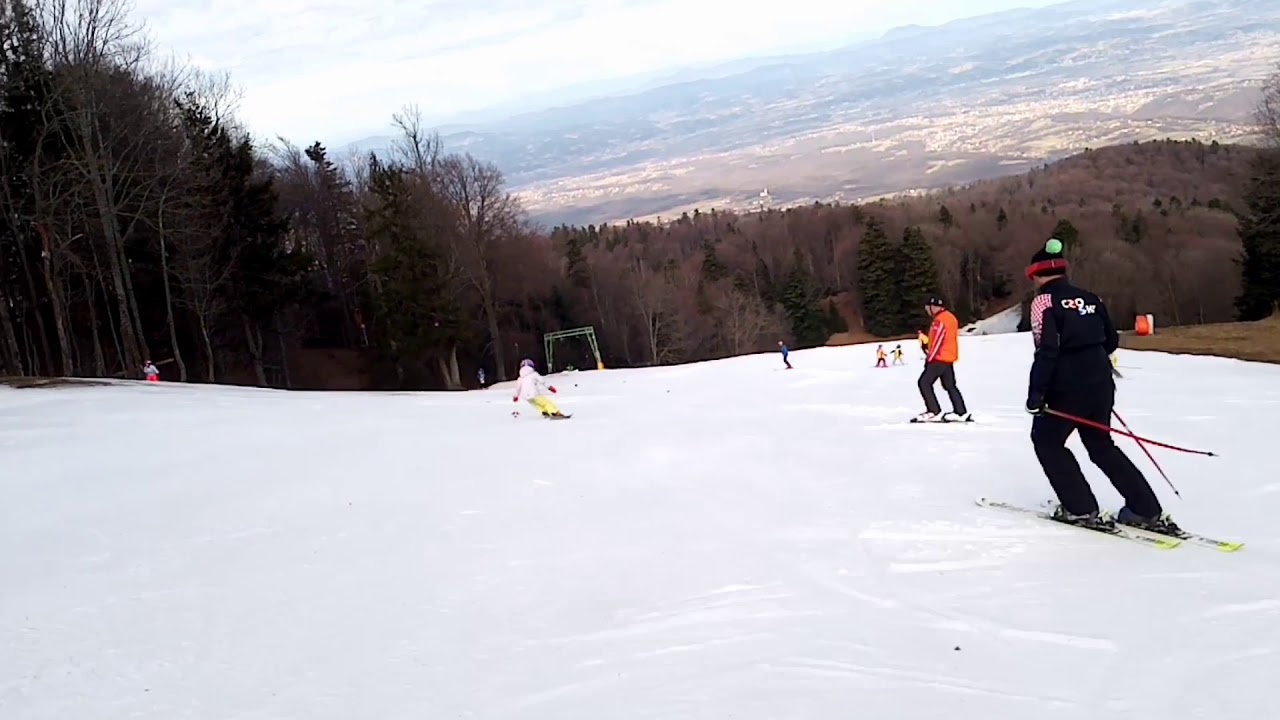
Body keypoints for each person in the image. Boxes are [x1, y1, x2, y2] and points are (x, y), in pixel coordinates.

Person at [1024, 238, 1178, 532]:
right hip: (1101, 383)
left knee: (1047, 441)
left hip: (1066, 387)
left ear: (1037, 275)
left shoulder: (1043, 301)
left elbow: (1046, 350)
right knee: (1101, 445)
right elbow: (1111, 341)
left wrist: (1036, 393)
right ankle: (1145, 509)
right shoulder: (1092, 299)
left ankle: (1080, 508)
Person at [914, 296, 970, 422]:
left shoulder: (940, 320)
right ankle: (960, 411)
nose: (929, 310)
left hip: (939, 358)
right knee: (950, 385)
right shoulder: (949, 317)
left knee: (924, 383)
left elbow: (938, 340)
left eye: (929, 307)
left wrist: (930, 358)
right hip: (948, 357)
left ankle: (933, 411)